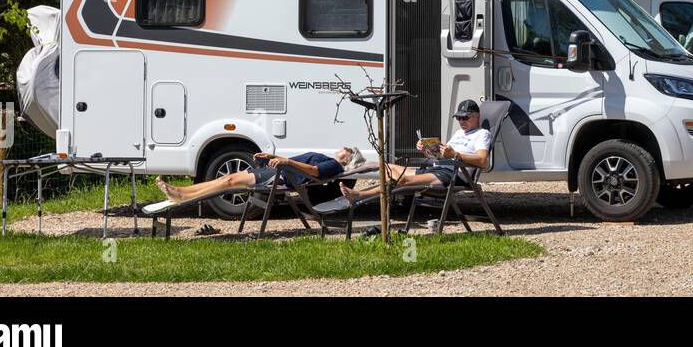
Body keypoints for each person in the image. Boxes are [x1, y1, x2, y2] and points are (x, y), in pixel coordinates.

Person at [339, 99, 490, 204]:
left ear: (477, 116)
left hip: (452, 175)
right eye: (458, 118)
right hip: (437, 168)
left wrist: (455, 155)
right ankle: (392, 186)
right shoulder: (458, 133)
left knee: (401, 180)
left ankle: (359, 195)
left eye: (465, 117)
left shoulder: (482, 134)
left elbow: (483, 161)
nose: (461, 121)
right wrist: (427, 150)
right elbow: (439, 157)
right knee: (386, 167)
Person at [154, 145, 369, 203]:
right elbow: (302, 165)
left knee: (229, 180)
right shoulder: (329, 159)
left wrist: (286, 161)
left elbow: (314, 172)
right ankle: (181, 192)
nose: (343, 148)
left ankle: (182, 196)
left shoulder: (334, 166)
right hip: (277, 171)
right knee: (225, 179)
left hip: (279, 177)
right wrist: (272, 156)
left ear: (347, 159)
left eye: (348, 150)